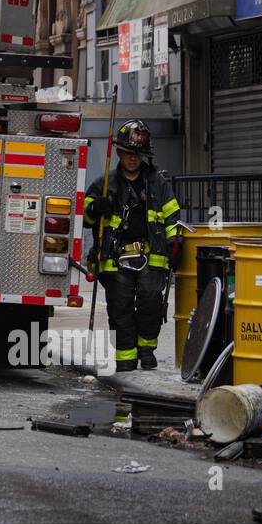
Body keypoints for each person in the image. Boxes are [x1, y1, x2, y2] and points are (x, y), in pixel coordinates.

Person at [84, 119, 182, 372]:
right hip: (115, 257)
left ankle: (146, 350)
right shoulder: (106, 183)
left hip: (152, 256)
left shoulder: (158, 184)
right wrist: (95, 207)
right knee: (120, 308)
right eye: (128, 153)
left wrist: (175, 243)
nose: (132, 159)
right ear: (120, 152)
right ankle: (126, 357)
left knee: (150, 303)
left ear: (143, 156)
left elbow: (172, 216)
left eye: (137, 154)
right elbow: (84, 218)